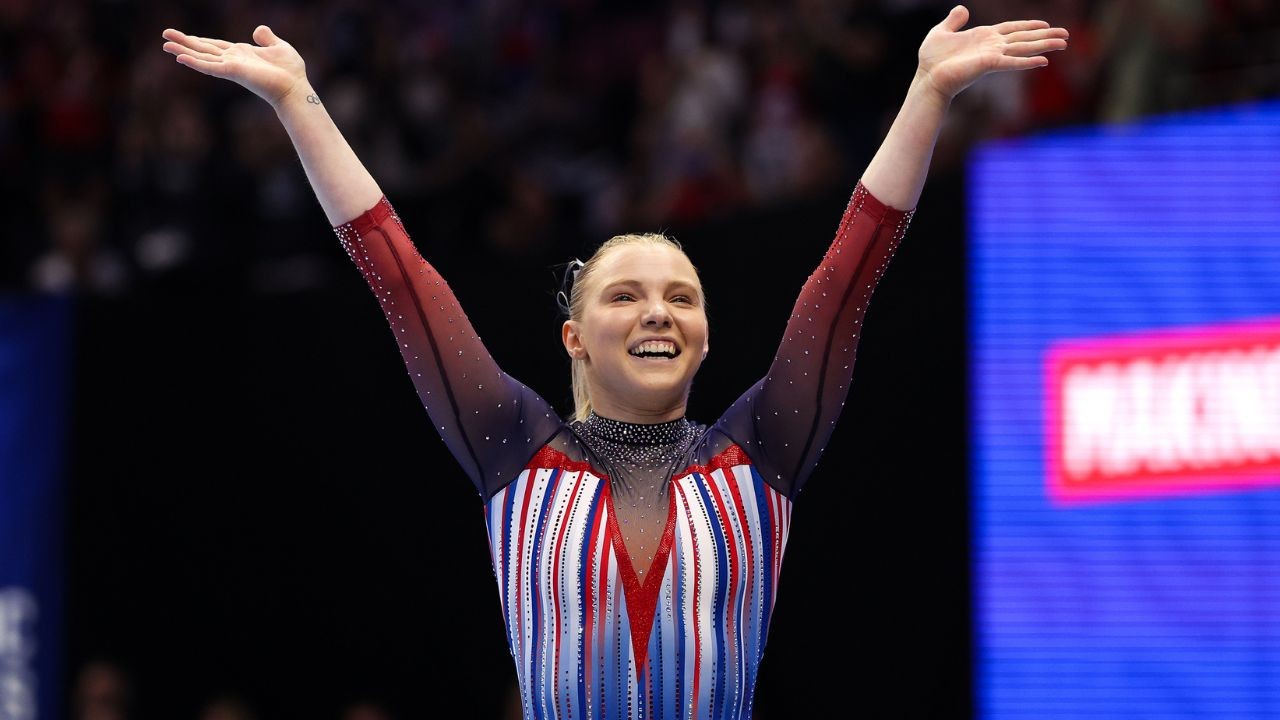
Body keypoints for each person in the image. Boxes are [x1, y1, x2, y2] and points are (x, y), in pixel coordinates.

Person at [161, 6, 1067, 718]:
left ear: (707, 336)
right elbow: (402, 277)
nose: (658, 312)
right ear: (574, 337)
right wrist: (299, 102)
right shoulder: (514, 448)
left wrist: (926, 94)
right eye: (625, 296)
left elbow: (847, 278)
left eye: (681, 297)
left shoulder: (762, 457)